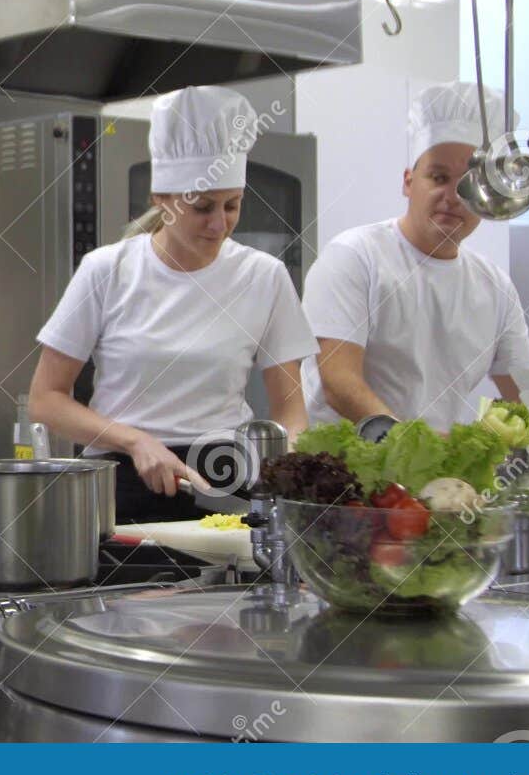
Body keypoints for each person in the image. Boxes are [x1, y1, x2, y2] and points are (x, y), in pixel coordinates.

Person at [28, 86, 318, 524]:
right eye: (202, 207)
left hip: (226, 482)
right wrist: (134, 441)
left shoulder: (264, 276)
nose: (219, 223)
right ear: (161, 200)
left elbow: (291, 408)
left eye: (232, 205)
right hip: (123, 484)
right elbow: (45, 399)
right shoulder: (107, 270)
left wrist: (283, 471)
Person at [303, 81, 529, 429]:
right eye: (438, 177)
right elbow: (339, 382)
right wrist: (412, 447)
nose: (453, 196)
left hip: (440, 478)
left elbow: (528, 394)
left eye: (470, 183)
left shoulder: (495, 287)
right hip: (349, 473)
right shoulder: (354, 256)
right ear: (408, 182)